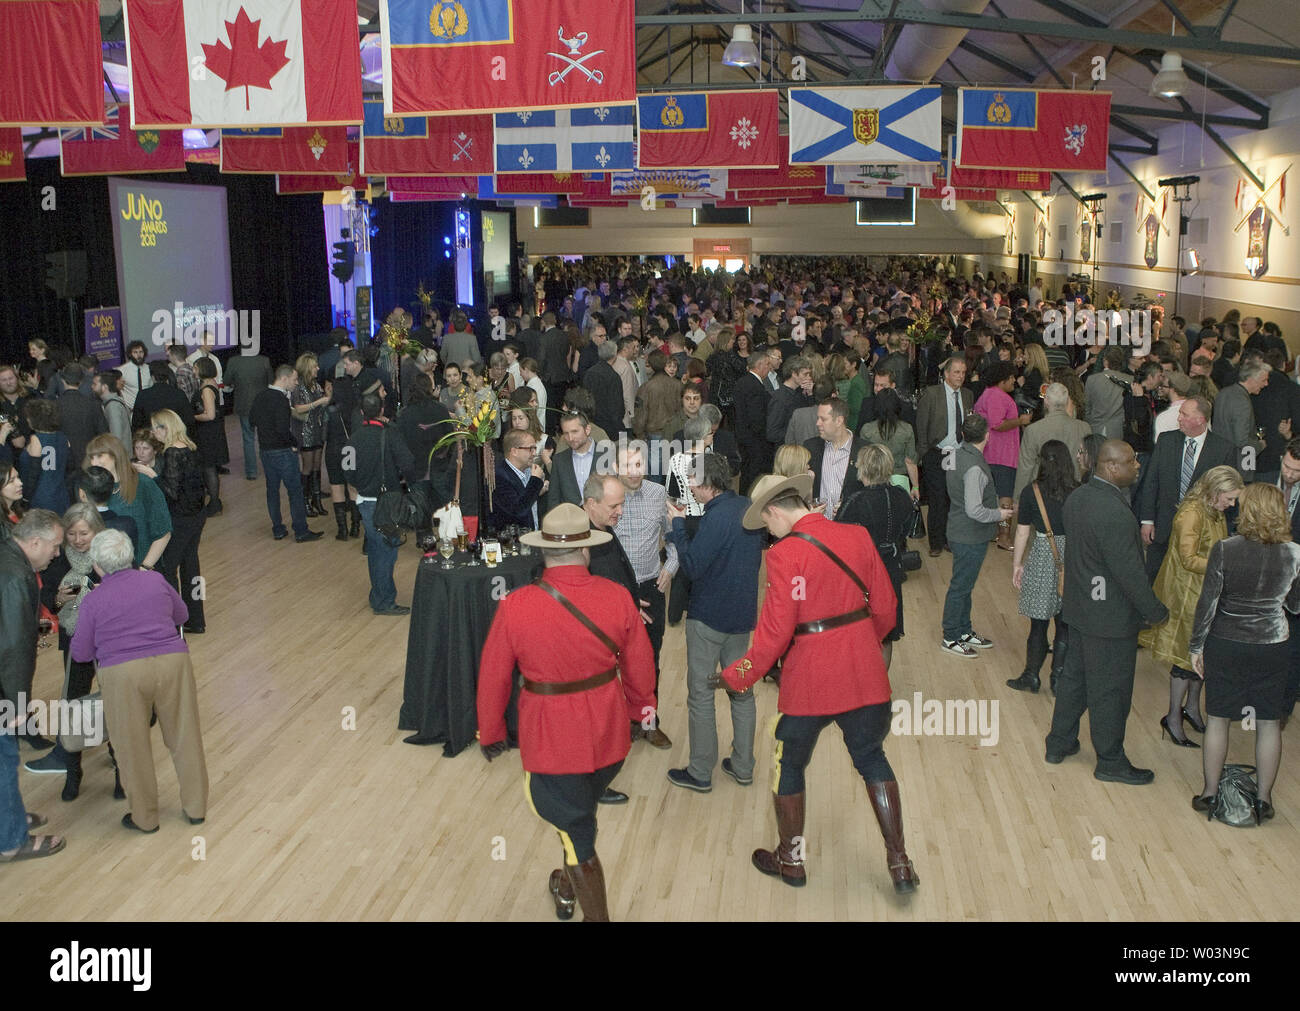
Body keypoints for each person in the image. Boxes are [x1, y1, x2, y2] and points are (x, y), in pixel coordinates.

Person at [717, 474, 914, 894]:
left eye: (766, 525)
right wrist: (860, 640)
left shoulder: (785, 555)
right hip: (864, 675)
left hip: (811, 682)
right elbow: (885, 608)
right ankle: (899, 862)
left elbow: (773, 637)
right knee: (872, 759)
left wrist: (738, 675)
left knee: (788, 764)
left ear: (774, 510)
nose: (768, 534)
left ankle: (791, 860)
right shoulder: (858, 536)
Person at [476, 504, 656, 921]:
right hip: (609, 739)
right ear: (587, 551)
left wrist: (490, 732)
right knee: (578, 815)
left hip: (552, 743)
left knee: (578, 832)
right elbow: (640, 666)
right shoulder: (617, 597)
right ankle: (564, 883)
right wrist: (642, 712)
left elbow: (493, 678)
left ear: (544, 552)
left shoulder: (515, 606)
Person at [1045, 440, 1169, 785]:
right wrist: (1155, 611)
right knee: (1111, 691)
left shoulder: (1078, 498)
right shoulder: (1113, 511)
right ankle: (1110, 760)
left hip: (1080, 608)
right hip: (1110, 618)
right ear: (1112, 467)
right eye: (1131, 461)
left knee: (1075, 681)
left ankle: (1059, 742)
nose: (1138, 466)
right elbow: (1128, 572)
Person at [69, 528, 208, 833]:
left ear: (96, 565)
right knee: (184, 735)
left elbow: (80, 653)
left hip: (122, 674)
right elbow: (182, 614)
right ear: (130, 556)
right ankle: (196, 807)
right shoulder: (155, 580)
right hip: (172, 662)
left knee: (131, 747)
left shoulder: (94, 600)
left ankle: (145, 818)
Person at [1190, 483, 1300, 822]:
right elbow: (1294, 605)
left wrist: (1196, 646)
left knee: (1219, 719)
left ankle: (1210, 795)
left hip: (1226, 644)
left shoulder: (1225, 549)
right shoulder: (1295, 553)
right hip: (1272, 647)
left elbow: (1207, 603)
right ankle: (1264, 800)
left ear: (1248, 511)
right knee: (1267, 723)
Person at [664, 452, 762, 791]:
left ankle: (701, 772)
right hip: (742, 618)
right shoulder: (748, 507)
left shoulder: (715, 519)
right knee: (741, 690)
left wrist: (677, 526)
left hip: (709, 620)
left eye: (693, 481)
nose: (690, 485)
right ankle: (743, 766)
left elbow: (691, 567)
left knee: (702, 695)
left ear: (708, 485)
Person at [1140, 465, 1243, 746]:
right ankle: (1173, 716)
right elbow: (1188, 559)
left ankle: (1192, 709)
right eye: (1230, 498)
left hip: (1204, 595)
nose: (1232, 505)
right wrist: (1225, 564)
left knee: (1201, 658)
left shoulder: (1213, 511)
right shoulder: (1191, 514)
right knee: (1185, 660)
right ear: (1215, 491)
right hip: (1187, 597)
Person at [0, 509, 67, 861]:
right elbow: (11, 647)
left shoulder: (6, 557)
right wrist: (16, 704)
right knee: (3, 758)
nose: (57, 554)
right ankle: (10, 840)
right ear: (35, 541)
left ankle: (6, 819)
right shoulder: (15, 577)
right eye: (55, 546)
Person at [612, 443, 677, 749]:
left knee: (649, 658)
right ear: (615, 468)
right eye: (627, 466)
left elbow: (675, 536)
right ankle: (622, 720)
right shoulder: (606, 497)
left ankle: (649, 721)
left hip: (651, 587)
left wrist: (671, 566)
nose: (634, 472)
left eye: (638, 465)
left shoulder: (657, 494)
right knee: (614, 659)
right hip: (615, 591)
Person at [1138, 397, 1236, 582]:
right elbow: (1151, 481)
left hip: (1199, 533)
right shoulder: (1166, 440)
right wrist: (1147, 520)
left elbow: (1227, 494)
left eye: (1184, 414)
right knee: (1155, 578)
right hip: (1163, 528)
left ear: (1200, 419)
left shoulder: (1223, 449)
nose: (1179, 418)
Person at [1007, 441, 1078, 694]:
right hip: (1072, 559)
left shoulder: (1031, 492)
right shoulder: (1077, 491)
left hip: (1042, 556)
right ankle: (1058, 679)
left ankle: (1031, 676)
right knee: (1065, 623)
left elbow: (1023, 533)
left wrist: (1017, 565)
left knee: (1038, 624)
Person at [940, 414, 1013, 657]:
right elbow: (975, 510)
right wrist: (1000, 514)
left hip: (957, 528)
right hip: (969, 536)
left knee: (965, 584)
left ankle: (963, 630)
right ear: (987, 436)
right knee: (961, 586)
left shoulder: (953, 455)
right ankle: (951, 635)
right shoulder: (975, 468)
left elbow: (952, 485)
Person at [838, 444, 913, 669]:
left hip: (861, 573)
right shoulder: (901, 496)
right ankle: (880, 690)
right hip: (891, 568)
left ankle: (859, 686)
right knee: (886, 632)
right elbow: (907, 529)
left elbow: (838, 538)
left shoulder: (856, 501)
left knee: (858, 630)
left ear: (864, 469)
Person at [348, 393, 420, 616]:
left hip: (364, 501)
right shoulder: (389, 434)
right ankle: (384, 601)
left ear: (361, 412)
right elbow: (408, 462)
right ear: (382, 410)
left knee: (376, 549)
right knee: (387, 552)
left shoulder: (354, 438)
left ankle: (377, 595)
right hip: (388, 503)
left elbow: (347, 471)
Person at [142, 410, 209, 635]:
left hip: (181, 518)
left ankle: (175, 621)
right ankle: (197, 618)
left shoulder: (172, 452)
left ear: (165, 428)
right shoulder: (191, 447)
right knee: (192, 567)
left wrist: (151, 474)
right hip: (197, 515)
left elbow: (170, 491)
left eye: (155, 428)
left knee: (168, 568)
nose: (152, 433)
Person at [249, 366, 323, 543]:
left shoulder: (260, 396)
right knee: (295, 491)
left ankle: (278, 529)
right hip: (282, 452)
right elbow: (283, 429)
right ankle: (301, 530)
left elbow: (252, 420)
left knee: (272, 491)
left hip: (266, 451)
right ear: (284, 378)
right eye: (294, 379)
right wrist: (294, 443)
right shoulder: (281, 400)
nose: (296, 383)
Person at [84, 434, 172, 568]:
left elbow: (163, 532)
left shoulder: (143, 484)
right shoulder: (91, 489)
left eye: (100, 456)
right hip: (106, 573)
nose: (94, 462)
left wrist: (145, 566)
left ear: (115, 455)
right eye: (92, 457)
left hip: (142, 567)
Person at [916, 357, 974, 558]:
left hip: (958, 453)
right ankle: (936, 542)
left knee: (954, 498)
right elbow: (921, 425)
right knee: (937, 498)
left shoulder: (967, 395)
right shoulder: (932, 394)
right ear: (946, 374)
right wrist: (923, 453)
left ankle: (950, 539)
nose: (961, 376)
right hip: (936, 452)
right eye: (957, 372)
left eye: (964, 372)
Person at [974, 361, 1031, 550]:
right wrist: (1020, 420)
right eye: (1012, 377)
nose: (1014, 380)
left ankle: (993, 532)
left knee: (991, 495)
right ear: (1002, 380)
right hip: (1001, 454)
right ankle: (1004, 536)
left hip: (992, 453)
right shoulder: (997, 396)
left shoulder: (990, 394)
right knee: (1005, 497)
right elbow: (997, 424)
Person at [1013, 382, 1093, 505]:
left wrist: (1018, 499)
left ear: (1046, 401)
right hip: (1074, 491)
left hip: (1042, 494)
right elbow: (1088, 464)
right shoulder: (1084, 428)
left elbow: (1025, 468)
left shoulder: (1033, 430)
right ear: (1067, 402)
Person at [1212, 356, 1271, 481]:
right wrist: (1260, 445)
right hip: (1240, 466)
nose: (1266, 384)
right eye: (1264, 380)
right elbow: (1242, 441)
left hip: (1220, 461)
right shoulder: (1242, 402)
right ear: (1251, 379)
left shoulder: (1224, 392)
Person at [804, 398, 863, 519]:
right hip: (819, 527)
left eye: (823, 419)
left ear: (839, 421)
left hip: (849, 528)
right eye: (818, 418)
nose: (818, 423)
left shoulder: (864, 450)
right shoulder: (810, 447)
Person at [289, 353, 331, 519]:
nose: (318, 369)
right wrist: (318, 402)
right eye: (315, 366)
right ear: (307, 368)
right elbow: (298, 408)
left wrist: (327, 395)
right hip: (305, 431)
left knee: (316, 466)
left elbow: (324, 403)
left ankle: (317, 499)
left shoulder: (316, 385)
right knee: (307, 467)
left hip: (318, 429)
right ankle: (304, 501)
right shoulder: (299, 387)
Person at [224, 347, 274, 481]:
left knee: (248, 439)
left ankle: (251, 472)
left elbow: (226, 381)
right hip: (262, 406)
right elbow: (271, 382)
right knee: (266, 438)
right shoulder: (264, 360)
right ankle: (270, 469)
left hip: (244, 406)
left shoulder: (233, 361)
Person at [859, 388, 920, 498]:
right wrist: (915, 487)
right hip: (900, 481)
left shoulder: (867, 430)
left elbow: (864, 463)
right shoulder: (907, 429)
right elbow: (910, 462)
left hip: (874, 481)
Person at [190, 357, 227, 517]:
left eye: (195, 368)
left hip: (207, 433)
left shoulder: (206, 389)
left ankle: (214, 502)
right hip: (212, 432)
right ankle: (214, 500)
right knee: (209, 467)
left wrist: (193, 417)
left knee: (209, 467)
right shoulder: (211, 383)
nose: (193, 371)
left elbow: (210, 415)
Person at [734, 350, 775, 494]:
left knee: (746, 472)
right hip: (755, 440)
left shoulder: (742, 382)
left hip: (743, 436)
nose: (770, 367)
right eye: (768, 364)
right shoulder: (754, 386)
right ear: (759, 365)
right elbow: (756, 416)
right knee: (753, 476)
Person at [20, 398, 70, 514]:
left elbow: (33, 474)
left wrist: (25, 499)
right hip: (61, 495)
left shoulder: (36, 439)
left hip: (40, 497)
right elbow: (69, 467)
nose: (27, 420)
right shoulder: (63, 437)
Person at [492, 428, 548, 531]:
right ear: (514, 451)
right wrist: (535, 481)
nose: (534, 453)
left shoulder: (529, 471)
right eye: (530, 449)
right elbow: (518, 510)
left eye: (535, 448)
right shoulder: (500, 476)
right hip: (515, 541)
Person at [547, 411, 598, 511]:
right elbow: (553, 499)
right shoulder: (559, 460)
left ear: (587, 429)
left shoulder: (606, 455)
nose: (570, 438)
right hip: (569, 522)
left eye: (575, 432)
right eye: (566, 433)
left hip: (602, 522)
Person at [131, 362, 194, 435]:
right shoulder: (179, 394)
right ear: (167, 376)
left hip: (152, 439)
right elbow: (189, 421)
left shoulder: (142, 395)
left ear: (152, 376)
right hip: (175, 437)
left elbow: (136, 424)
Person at [1084, 347, 1133, 440]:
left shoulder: (1092, 379)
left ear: (1105, 360)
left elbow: (1087, 406)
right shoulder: (1129, 380)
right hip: (1118, 429)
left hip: (1095, 427)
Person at [582, 338, 624, 438]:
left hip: (592, 423)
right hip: (610, 426)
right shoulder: (613, 376)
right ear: (614, 355)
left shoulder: (589, 373)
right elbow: (617, 406)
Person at [93, 369, 131, 449]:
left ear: (104, 387)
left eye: (95, 384)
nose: (92, 387)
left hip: (120, 456)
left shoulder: (112, 406)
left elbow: (116, 435)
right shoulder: (114, 402)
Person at [119, 340, 153, 412]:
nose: (139, 355)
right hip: (131, 410)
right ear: (130, 354)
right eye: (135, 352)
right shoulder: (122, 371)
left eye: (141, 352)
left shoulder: (149, 369)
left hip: (148, 408)